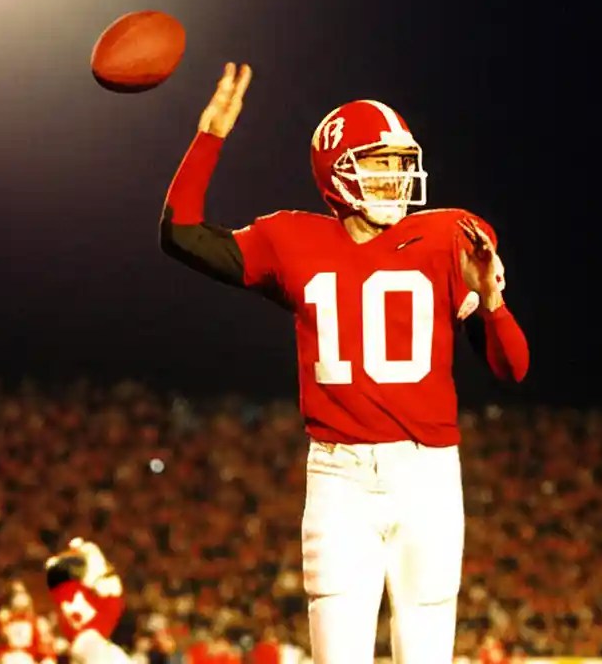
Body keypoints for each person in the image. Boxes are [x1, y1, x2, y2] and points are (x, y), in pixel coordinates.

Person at [159, 62, 530, 663]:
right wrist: (209, 138)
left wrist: (492, 303)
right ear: (338, 172)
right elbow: (180, 235)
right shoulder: (291, 240)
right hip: (339, 475)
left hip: (428, 473)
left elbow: (513, 369)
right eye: (377, 163)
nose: (394, 178)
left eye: (398, 163)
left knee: (428, 646)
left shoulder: (449, 237)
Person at [45, 538, 134, 664]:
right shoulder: (91, 586)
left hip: (84, 642)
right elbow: (95, 565)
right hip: (90, 640)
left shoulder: (66, 590)